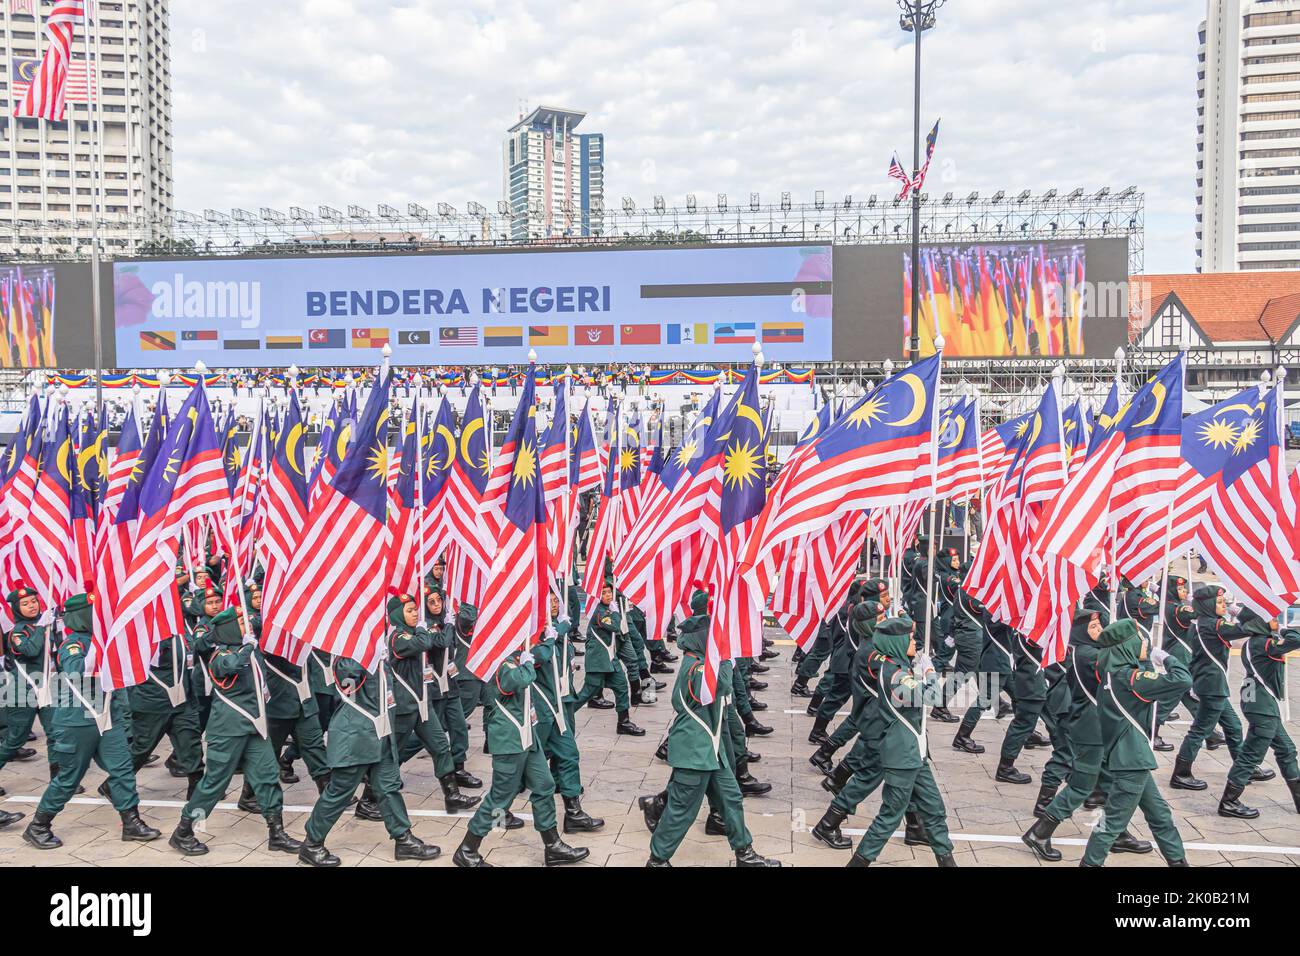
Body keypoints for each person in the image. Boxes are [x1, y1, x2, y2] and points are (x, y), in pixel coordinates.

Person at [642, 590, 779, 868]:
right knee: (682, 810)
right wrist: (725, 660)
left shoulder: (704, 662)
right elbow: (720, 687)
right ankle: (657, 859)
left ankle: (745, 853)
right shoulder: (694, 667)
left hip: (711, 749)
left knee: (731, 798)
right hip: (694, 750)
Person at [23, 591, 162, 850]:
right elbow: (75, 669)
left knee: (122, 771)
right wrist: (101, 645)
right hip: (77, 721)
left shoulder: (104, 641)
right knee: (69, 778)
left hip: (108, 718)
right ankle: (39, 826)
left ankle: (131, 822)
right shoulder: (72, 643)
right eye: (93, 613)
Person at [297, 627, 443, 867]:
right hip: (355, 736)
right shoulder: (347, 656)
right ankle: (312, 843)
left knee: (388, 787)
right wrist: (371, 654)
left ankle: (403, 839)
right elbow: (348, 679)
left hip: (380, 734)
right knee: (339, 792)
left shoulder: (378, 653)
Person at [167, 606, 301, 857]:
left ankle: (277, 833)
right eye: (240, 623)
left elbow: (264, 621)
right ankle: (184, 830)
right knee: (214, 784)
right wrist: (248, 646)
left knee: (267, 777)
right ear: (228, 627)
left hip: (254, 726)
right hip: (228, 730)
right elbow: (232, 666)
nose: (247, 626)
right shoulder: (219, 655)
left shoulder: (251, 649)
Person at [1021, 609, 1151, 861]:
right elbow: (1122, 669)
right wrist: (1137, 651)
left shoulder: (1088, 652)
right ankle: (1040, 832)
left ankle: (1117, 833)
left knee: (1110, 784)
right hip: (1092, 731)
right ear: (1081, 631)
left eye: (1100, 625)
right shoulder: (1089, 655)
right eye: (1093, 627)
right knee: (1082, 786)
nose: (1099, 630)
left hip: (1100, 728)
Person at [451, 636, 590, 868]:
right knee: (500, 797)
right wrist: (527, 663)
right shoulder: (500, 661)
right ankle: (468, 849)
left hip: (527, 734)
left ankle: (553, 846)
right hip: (509, 739)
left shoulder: (514, 657)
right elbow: (515, 680)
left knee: (544, 785)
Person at [843, 616, 957, 867]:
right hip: (902, 755)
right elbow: (933, 697)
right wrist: (929, 672)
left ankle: (947, 862)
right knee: (890, 817)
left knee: (934, 809)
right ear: (897, 641)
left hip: (913, 752)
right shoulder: (895, 673)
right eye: (911, 638)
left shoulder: (896, 667)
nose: (915, 642)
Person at [1080, 619, 1190, 867]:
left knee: (1160, 815)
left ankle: (1178, 861)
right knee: (1111, 823)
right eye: (1140, 638)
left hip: (1130, 758)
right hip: (1132, 760)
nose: (1146, 642)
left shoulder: (1111, 674)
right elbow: (1182, 680)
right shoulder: (1130, 678)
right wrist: (1168, 659)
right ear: (1127, 644)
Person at [386, 591, 479, 813]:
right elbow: (425, 642)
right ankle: (370, 797)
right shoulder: (398, 638)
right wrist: (423, 627)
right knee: (393, 753)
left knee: (440, 746)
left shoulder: (415, 633)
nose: (415, 613)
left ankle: (452, 795)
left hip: (422, 704)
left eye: (415, 609)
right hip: (405, 706)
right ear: (398, 615)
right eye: (409, 611)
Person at [1172, 585, 1261, 791]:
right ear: (1208, 605)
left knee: (1233, 726)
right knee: (1201, 730)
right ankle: (1181, 773)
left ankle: (1243, 768)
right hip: (1212, 685)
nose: (1224, 606)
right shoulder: (1213, 625)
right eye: (1220, 603)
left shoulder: (1204, 623)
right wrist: (1246, 612)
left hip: (1212, 684)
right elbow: (1248, 628)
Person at [1218, 608, 1300, 819]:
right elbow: (1296, 638)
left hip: (1258, 703)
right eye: (1270, 617)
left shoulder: (1252, 643)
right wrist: (1282, 629)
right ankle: (1229, 801)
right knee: (1251, 755)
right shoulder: (1264, 644)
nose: (1275, 619)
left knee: (1287, 750)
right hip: (1262, 707)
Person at [534, 593, 603, 833]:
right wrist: (553, 634)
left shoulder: (561, 633)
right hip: (542, 707)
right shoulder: (534, 632)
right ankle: (500, 810)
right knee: (525, 761)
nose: (554, 604)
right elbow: (538, 657)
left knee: (569, 754)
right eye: (549, 600)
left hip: (561, 705)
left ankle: (573, 813)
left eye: (556, 600)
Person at [570, 580, 644, 737]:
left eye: (609, 592)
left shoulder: (607, 609)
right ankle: (563, 715)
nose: (608, 595)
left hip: (609, 659)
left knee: (622, 686)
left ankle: (623, 723)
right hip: (598, 661)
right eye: (604, 593)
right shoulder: (600, 612)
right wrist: (616, 612)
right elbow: (615, 626)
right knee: (587, 693)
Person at [0, 586, 56, 789]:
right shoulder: (17, 632)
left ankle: (57, 780)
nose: (31, 606)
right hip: (22, 692)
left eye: (33, 601)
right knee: (15, 740)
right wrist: (41, 627)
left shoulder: (47, 625)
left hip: (47, 689)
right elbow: (30, 651)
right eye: (25, 604)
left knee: (55, 734)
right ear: (16, 608)